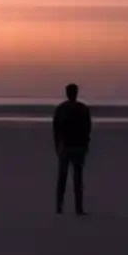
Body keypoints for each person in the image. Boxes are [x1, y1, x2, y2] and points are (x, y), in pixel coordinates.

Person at [53, 83, 91, 215]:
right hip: (78, 147)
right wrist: (86, 144)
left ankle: (59, 207)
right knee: (78, 178)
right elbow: (88, 129)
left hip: (65, 147)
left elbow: (56, 130)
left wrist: (57, 146)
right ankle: (78, 208)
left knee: (62, 178)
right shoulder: (83, 108)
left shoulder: (60, 109)